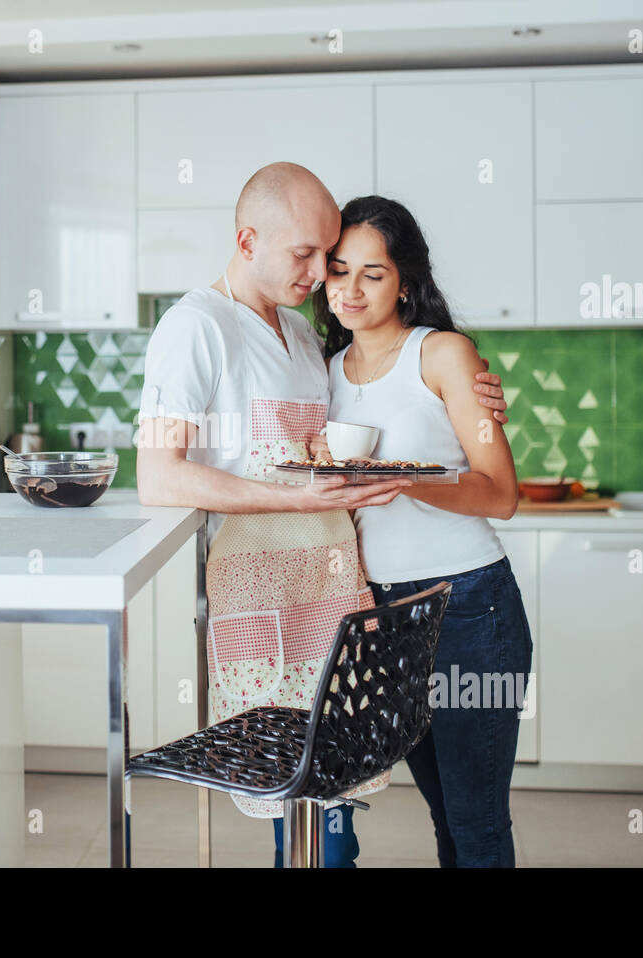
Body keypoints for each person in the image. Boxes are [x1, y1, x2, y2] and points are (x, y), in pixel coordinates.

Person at [135, 163, 510, 867]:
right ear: (247, 240)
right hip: (267, 605)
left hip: (340, 603)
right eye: (308, 256)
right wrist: (297, 496)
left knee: (337, 824)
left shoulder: (308, 338)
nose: (322, 277)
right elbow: (156, 475)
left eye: (329, 258)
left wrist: (465, 397)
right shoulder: (192, 327)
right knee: (311, 822)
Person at [313, 194, 533, 867]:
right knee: (444, 812)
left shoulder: (443, 355)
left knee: (475, 819)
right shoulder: (327, 370)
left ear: (406, 280)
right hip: (382, 616)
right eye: (338, 270)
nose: (350, 291)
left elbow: (502, 493)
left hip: (467, 606)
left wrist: (408, 477)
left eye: (372, 274)